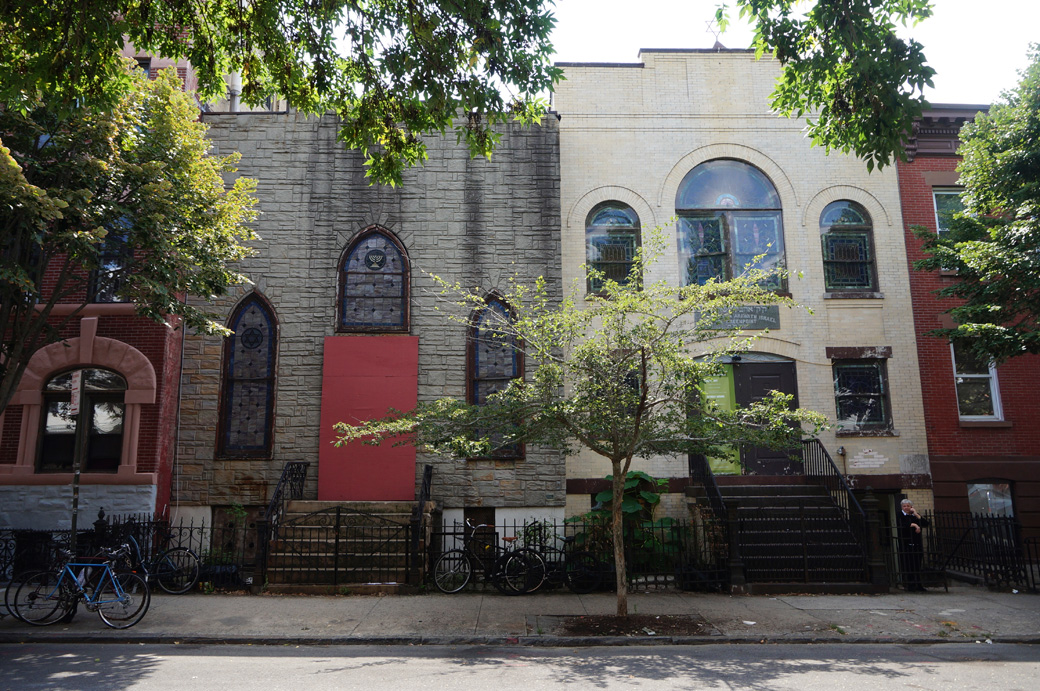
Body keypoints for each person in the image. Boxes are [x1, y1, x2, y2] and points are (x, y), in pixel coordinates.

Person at [896, 498, 930, 592]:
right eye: (904, 506)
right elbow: (902, 525)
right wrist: (914, 525)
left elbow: (926, 524)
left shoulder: (914, 516)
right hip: (906, 543)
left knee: (917, 565)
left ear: (911, 507)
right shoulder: (899, 515)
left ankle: (918, 585)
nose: (906, 508)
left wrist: (916, 514)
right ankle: (910, 585)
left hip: (917, 543)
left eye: (908, 506)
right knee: (908, 565)